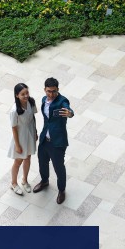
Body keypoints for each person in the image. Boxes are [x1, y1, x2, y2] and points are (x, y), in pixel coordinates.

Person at [32, 77, 74, 205]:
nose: (51, 94)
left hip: (57, 142)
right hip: (45, 139)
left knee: (59, 167)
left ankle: (62, 190)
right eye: (49, 91)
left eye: (54, 91)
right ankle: (44, 181)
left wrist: (70, 113)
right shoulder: (44, 100)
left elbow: (69, 110)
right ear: (44, 90)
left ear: (58, 90)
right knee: (42, 162)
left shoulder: (62, 101)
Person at [8, 83, 37, 195]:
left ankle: (25, 180)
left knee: (28, 158)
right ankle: (13, 183)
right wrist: (17, 145)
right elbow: (14, 128)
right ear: (17, 95)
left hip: (30, 133)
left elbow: (33, 118)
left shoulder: (31, 102)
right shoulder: (14, 111)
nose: (26, 96)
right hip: (20, 136)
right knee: (18, 161)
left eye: (27, 93)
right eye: (22, 94)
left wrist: (35, 132)